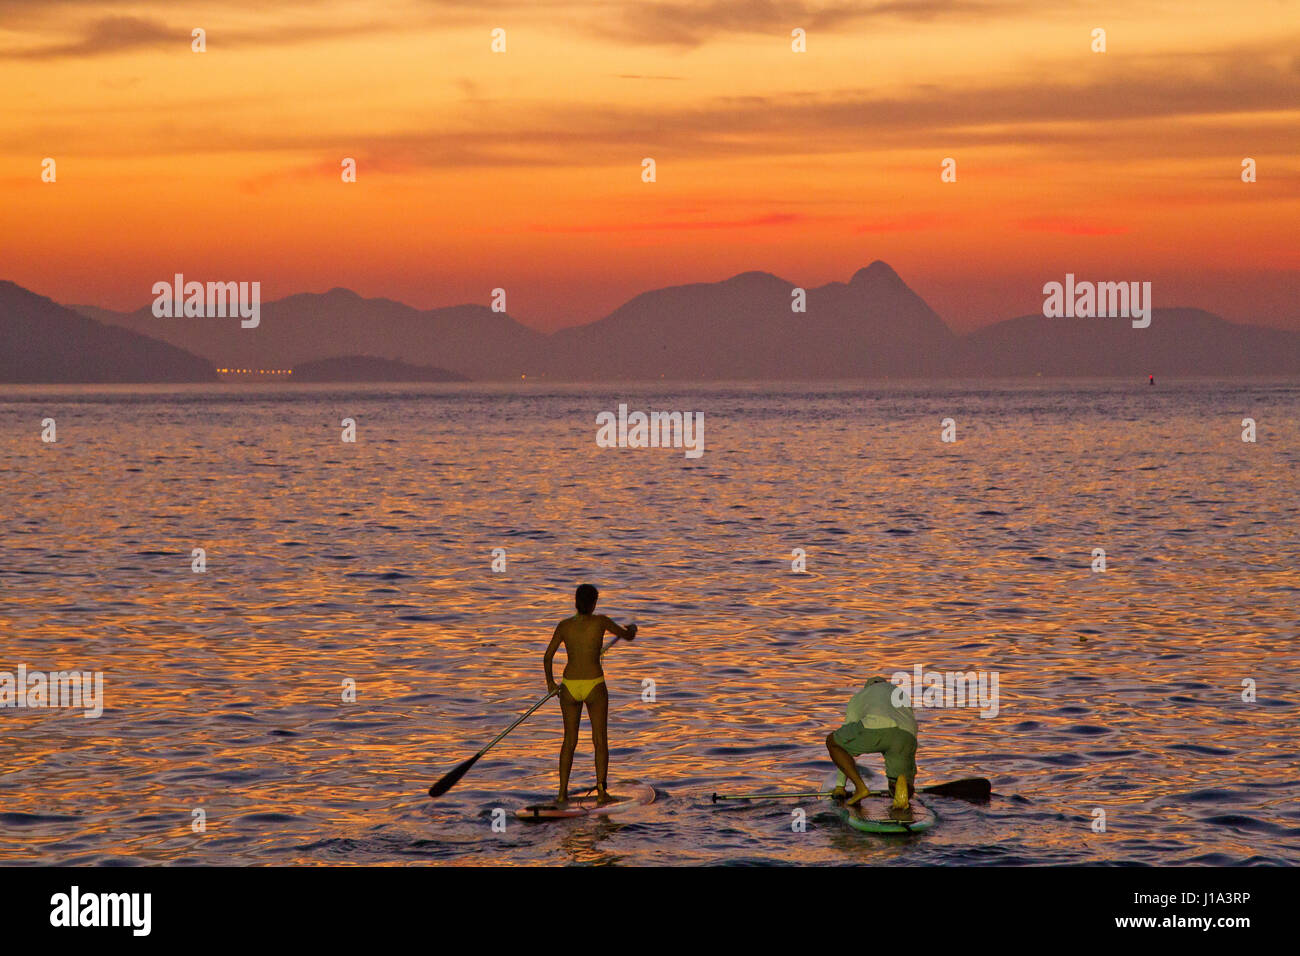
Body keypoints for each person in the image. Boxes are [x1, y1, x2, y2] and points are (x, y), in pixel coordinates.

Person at [543, 584, 637, 804]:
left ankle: (561, 793)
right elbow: (627, 636)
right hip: (594, 685)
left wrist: (550, 683)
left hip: (569, 686)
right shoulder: (601, 621)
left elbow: (547, 657)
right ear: (594, 603)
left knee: (569, 740)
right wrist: (631, 629)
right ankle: (602, 793)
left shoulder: (564, 626)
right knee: (599, 740)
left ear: (576, 603)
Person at [825, 675, 918, 810]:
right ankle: (901, 789)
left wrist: (840, 786)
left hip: (876, 728)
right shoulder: (900, 693)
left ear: (868, 687)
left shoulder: (861, 695)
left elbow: (845, 737)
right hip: (907, 736)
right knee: (897, 784)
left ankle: (860, 788)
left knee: (834, 743)